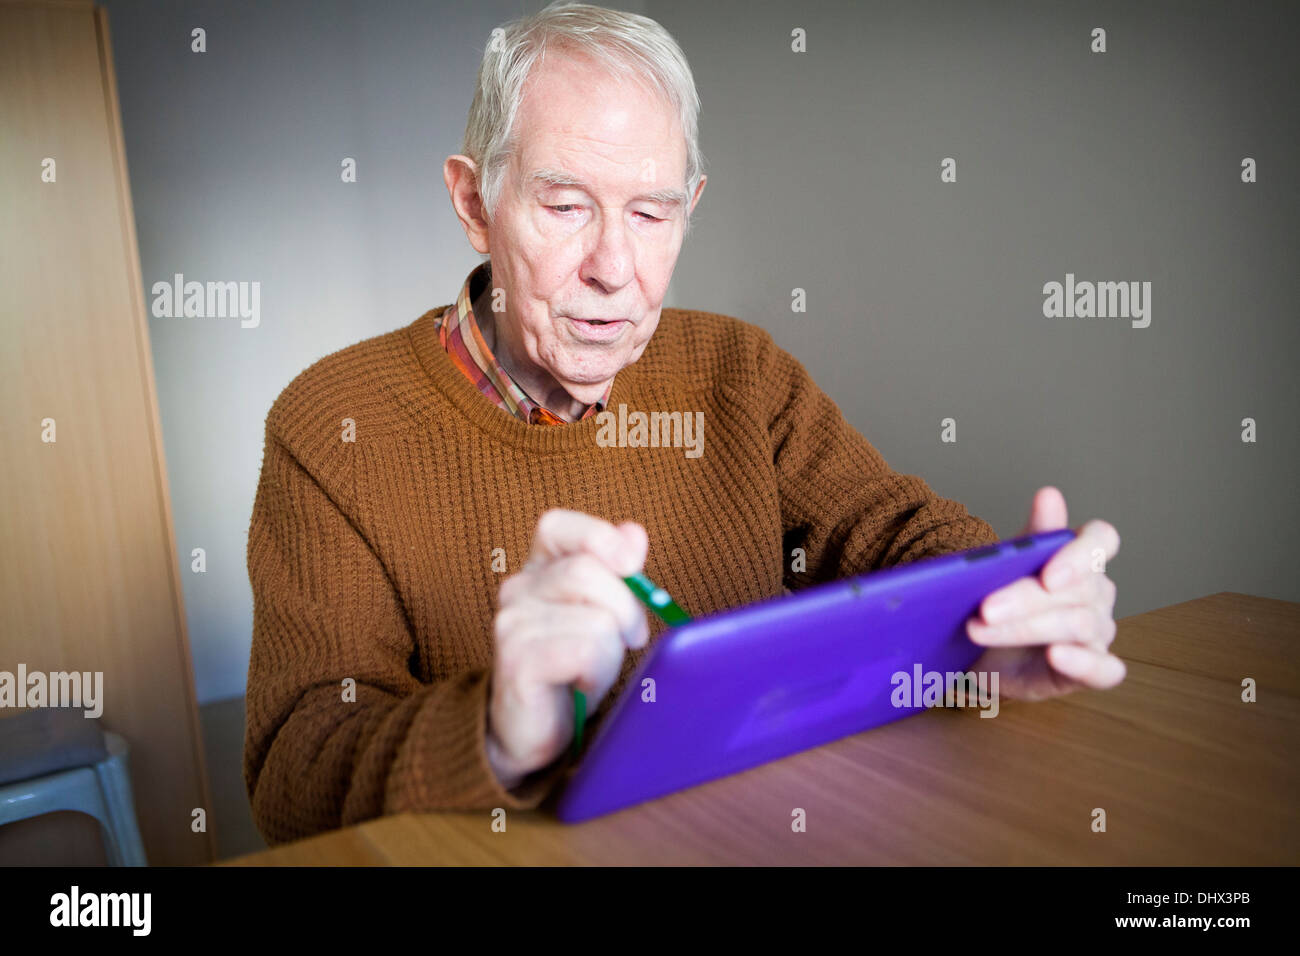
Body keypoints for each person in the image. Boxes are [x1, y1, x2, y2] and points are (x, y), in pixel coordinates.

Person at [244, 1, 1122, 845]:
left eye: (652, 213)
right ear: (475, 203)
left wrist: (996, 622)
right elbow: (296, 769)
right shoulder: (331, 425)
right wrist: (496, 733)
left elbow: (887, 531)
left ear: (689, 206)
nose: (614, 269)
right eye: (565, 205)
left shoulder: (740, 371)